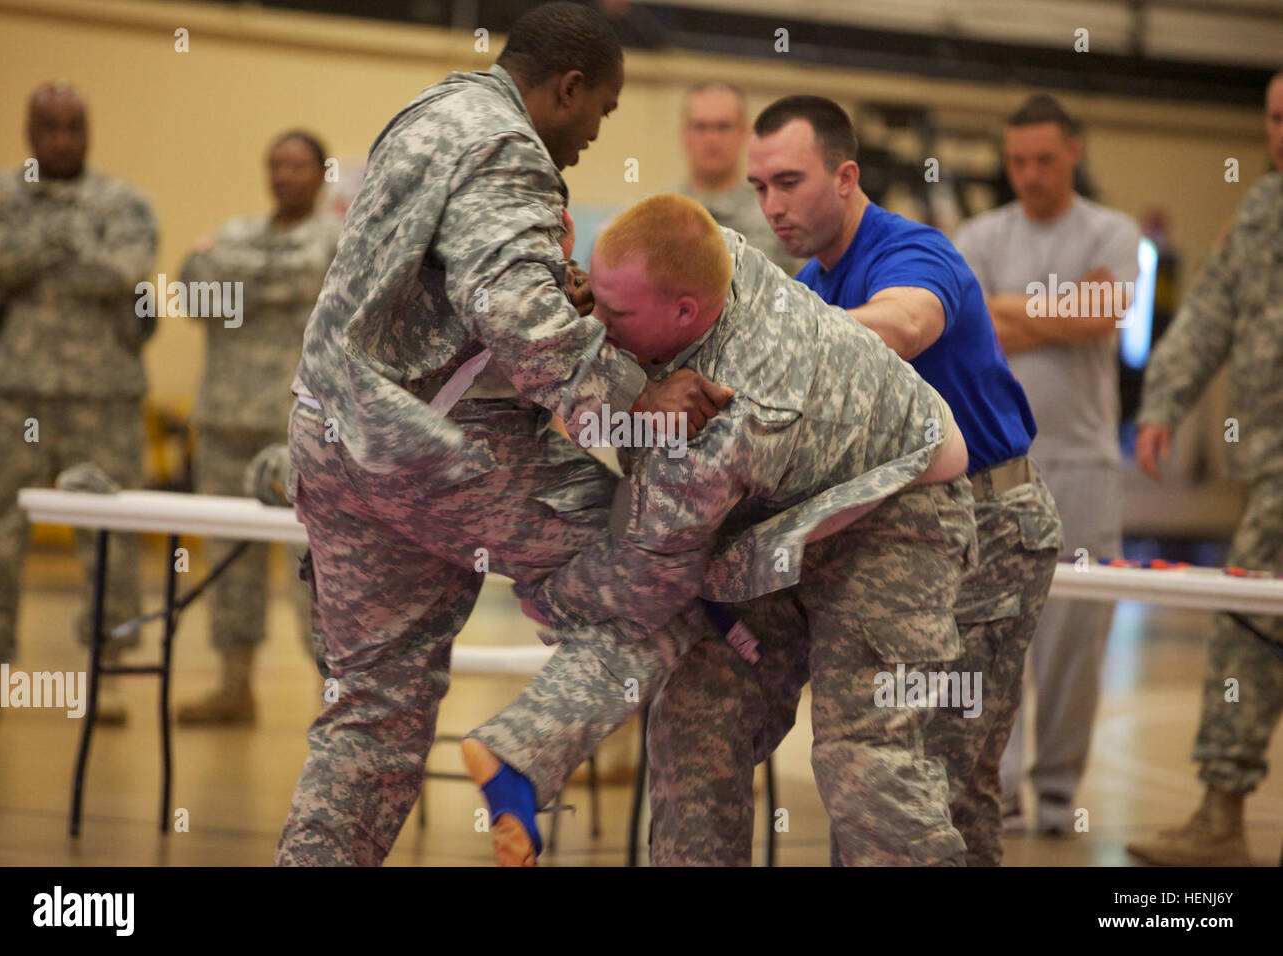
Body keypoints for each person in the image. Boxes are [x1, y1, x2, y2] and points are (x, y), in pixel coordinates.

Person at [274, 2, 728, 866]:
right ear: (567, 87)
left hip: (338, 438)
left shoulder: (434, 112)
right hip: (439, 456)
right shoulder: (510, 146)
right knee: (672, 561)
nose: (599, 130)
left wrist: (563, 292)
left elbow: (450, 288)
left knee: (372, 710)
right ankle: (524, 749)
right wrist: (639, 395)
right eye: (604, 107)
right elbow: (511, 313)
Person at [462, 192, 979, 867]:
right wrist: (582, 299)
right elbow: (598, 323)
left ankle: (521, 757)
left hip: (894, 514)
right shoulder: (715, 255)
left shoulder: (731, 418)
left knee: (866, 759)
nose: (599, 327)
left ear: (684, 313)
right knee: (694, 730)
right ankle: (524, 758)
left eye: (616, 314)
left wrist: (553, 596)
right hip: (775, 519)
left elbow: (650, 575)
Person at [641, 95, 1062, 866]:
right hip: (883, 531)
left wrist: (767, 344)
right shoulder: (810, 282)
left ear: (845, 177)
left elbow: (903, 326)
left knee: (940, 770)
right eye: (760, 185)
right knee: (851, 757)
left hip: (991, 525)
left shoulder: (912, 249)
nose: (773, 204)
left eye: (790, 182)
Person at [953, 93, 1139, 833]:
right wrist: (1052, 313)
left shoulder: (1113, 230)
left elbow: (1104, 313)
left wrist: (1012, 309)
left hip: (1085, 465)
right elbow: (974, 332)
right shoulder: (978, 232)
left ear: (1075, 152)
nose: (1029, 174)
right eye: (1017, 161)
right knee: (993, 635)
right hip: (997, 467)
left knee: (1073, 640)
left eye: (1044, 159)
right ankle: (996, 790)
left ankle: (1059, 794)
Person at [1125, 72, 1283, 867]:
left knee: (1247, 627)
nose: (1282, 136)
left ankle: (1222, 818)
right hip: (1276, 472)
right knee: (1247, 627)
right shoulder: (1260, 214)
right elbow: (1209, 313)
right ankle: (1221, 819)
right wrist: (1163, 402)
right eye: (1276, 120)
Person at [0, 83, 157, 724]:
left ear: (89, 131)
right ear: (29, 133)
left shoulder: (125, 200)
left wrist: (35, 256)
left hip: (101, 395)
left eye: (73, 127)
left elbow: (127, 270)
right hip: (11, 394)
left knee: (106, 535)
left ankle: (106, 675)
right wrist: (68, 247)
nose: (61, 140)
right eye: (49, 128)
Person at [175, 131, 341, 724]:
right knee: (227, 556)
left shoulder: (337, 239)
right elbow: (192, 289)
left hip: (302, 425)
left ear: (322, 174)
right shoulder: (241, 228)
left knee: (316, 562)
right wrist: (263, 276)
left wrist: (234, 276)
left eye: (297, 165)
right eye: (275, 164)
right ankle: (234, 684)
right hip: (224, 421)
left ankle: (334, 690)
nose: (284, 175)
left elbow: (310, 280)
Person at [677, 82, 800, 276]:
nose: (712, 138)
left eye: (723, 127)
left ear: (744, 132)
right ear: (684, 133)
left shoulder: (777, 214)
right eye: (700, 127)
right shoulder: (659, 213)